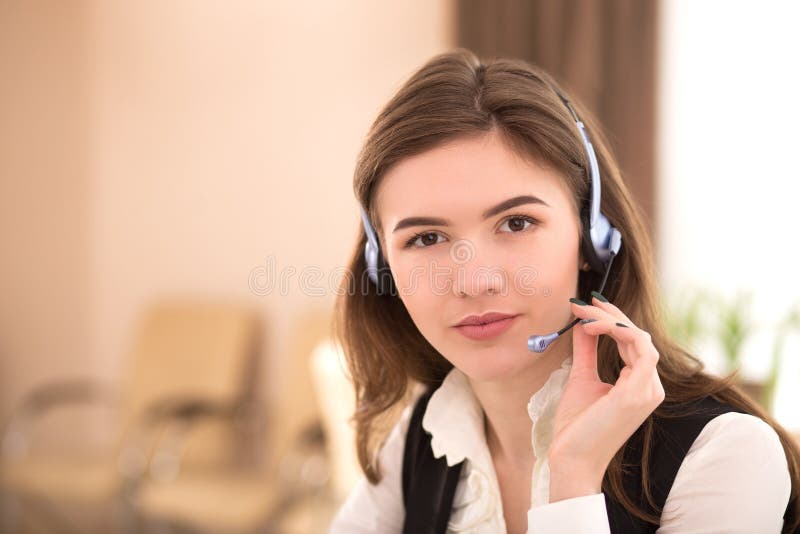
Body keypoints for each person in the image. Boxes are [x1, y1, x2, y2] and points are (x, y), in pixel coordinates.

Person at [328, 48, 800, 533]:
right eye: (426, 238)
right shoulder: (428, 434)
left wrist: (573, 477)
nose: (474, 281)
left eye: (517, 222)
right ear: (381, 263)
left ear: (592, 238)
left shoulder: (725, 454)